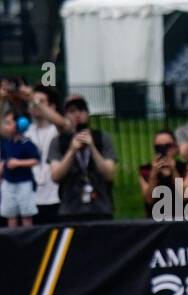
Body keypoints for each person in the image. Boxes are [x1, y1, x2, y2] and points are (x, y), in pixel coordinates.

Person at [48, 95, 118, 221]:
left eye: (81, 110)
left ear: (87, 113)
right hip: (70, 209)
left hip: (100, 207)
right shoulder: (58, 142)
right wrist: (71, 151)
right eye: (72, 111)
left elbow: (109, 174)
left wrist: (92, 148)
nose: (77, 115)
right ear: (66, 116)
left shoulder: (102, 138)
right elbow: (55, 176)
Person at [25, 88, 65, 223]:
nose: (35, 105)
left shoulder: (56, 130)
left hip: (54, 197)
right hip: (31, 198)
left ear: (52, 106)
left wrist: (34, 98)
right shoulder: (27, 131)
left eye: (41, 102)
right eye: (33, 103)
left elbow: (62, 123)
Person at [140, 128, 188, 215]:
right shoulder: (146, 170)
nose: (164, 150)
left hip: (181, 219)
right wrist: (153, 174)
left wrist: (173, 170)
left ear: (175, 147)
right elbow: (149, 200)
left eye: (168, 146)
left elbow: (185, 196)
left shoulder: (186, 168)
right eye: (159, 147)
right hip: (155, 221)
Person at [1, 112, 41, 227]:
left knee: (26, 214)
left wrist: (18, 163)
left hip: (24, 183)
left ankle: (28, 240)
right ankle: (11, 239)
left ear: (19, 124)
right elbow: (3, 160)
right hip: (8, 183)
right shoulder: (6, 143)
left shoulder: (27, 143)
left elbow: (35, 160)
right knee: (10, 215)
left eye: (9, 123)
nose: (6, 126)